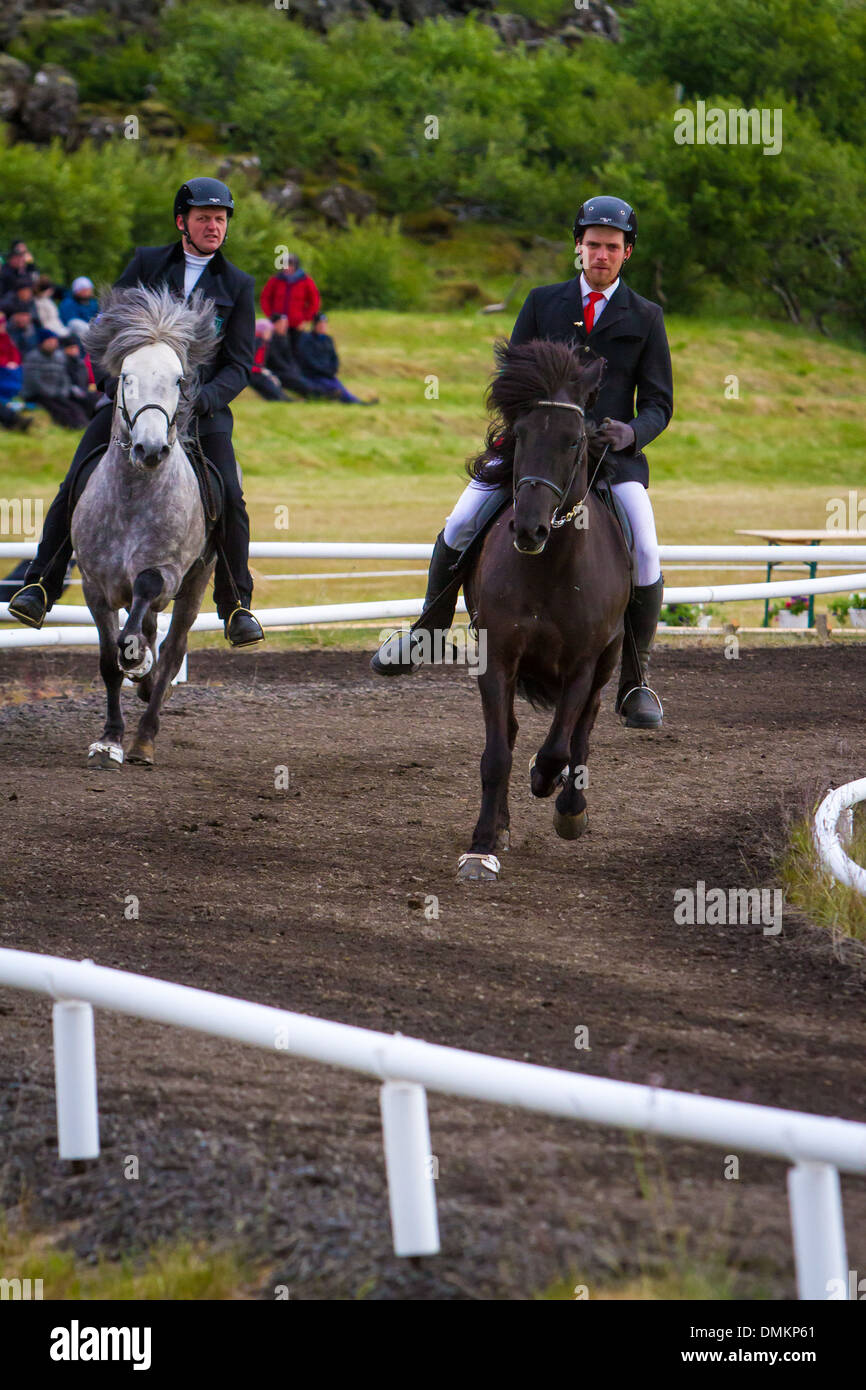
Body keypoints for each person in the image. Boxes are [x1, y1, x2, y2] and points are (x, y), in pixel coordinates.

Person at [372, 195, 673, 730]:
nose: (600, 255)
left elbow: (658, 403)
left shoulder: (645, 317)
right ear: (577, 247)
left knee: (646, 548)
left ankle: (635, 679)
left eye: (611, 247)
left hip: (608, 458)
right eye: (592, 245)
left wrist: (631, 431)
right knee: (463, 521)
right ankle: (429, 629)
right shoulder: (542, 302)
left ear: (627, 253)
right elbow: (511, 382)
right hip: (535, 451)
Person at [7, 177, 264, 647]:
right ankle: (41, 583)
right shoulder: (147, 263)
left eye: (221, 219)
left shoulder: (238, 285)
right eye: (204, 218)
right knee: (77, 478)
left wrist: (203, 400)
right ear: (182, 222)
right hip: (134, 404)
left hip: (200, 411)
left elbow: (240, 365)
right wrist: (110, 385)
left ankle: (236, 605)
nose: (214, 226)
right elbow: (104, 331)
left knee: (228, 495)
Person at [297, 312, 377, 404]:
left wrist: (333, 369)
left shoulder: (328, 339)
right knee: (334, 388)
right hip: (314, 375)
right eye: (320, 323)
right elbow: (308, 360)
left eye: (324, 323)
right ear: (314, 325)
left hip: (328, 375)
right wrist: (324, 371)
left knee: (341, 389)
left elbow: (334, 357)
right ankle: (355, 403)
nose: (323, 326)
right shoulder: (307, 339)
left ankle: (358, 402)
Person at [22, 327, 90, 430]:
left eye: (54, 341)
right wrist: (49, 392)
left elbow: (64, 377)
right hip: (38, 395)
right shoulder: (33, 357)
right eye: (49, 341)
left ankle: (84, 426)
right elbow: (34, 380)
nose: (52, 343)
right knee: (58, 409)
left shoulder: (59, 357)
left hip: (56, 393)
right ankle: (73, 426)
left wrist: (62, 391)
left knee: (74, 407)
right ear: (42, 342)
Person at [260, 254, 320, 354]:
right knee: (276, 351)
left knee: (296, 350)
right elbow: (265, 298)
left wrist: (305, 319)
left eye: (290, 265)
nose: (287, 268)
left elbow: (315, 301)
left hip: (296, 324)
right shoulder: (276, 280)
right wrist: (271, 316)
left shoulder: (306, 281)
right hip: (278, 324)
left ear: (296, 266)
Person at [249, 319, 293, 401]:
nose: (270, 334)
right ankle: (285, 400)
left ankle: (286, 399)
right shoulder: (257, 342)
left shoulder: (263, 343)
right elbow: (253, 363)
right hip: (254, 373)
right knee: (269, 384)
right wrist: (264, 372)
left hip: (258, 372)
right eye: (268, 331)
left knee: (273, 382)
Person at [62, 334, 98, 417]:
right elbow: (65, 381)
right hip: (70, 393)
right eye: (71, 348)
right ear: (65, 349)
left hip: (83, 391)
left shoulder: (81, 363)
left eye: (75, 347)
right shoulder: (63, 363)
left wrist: (89, 389)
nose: (74, 350)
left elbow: (87, 381)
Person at [33, 275, 69, 340]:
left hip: (58, 326)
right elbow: (44, 322)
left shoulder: (48, 300)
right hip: (50, 330)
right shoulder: (38, 303)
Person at [0, 310, 23, 403]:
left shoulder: (6, 336)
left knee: (18, 370)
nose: (3, 326)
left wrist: (14, 361)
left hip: (10, 365)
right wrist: (6, 363)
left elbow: (13, 351)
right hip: (3, 367)